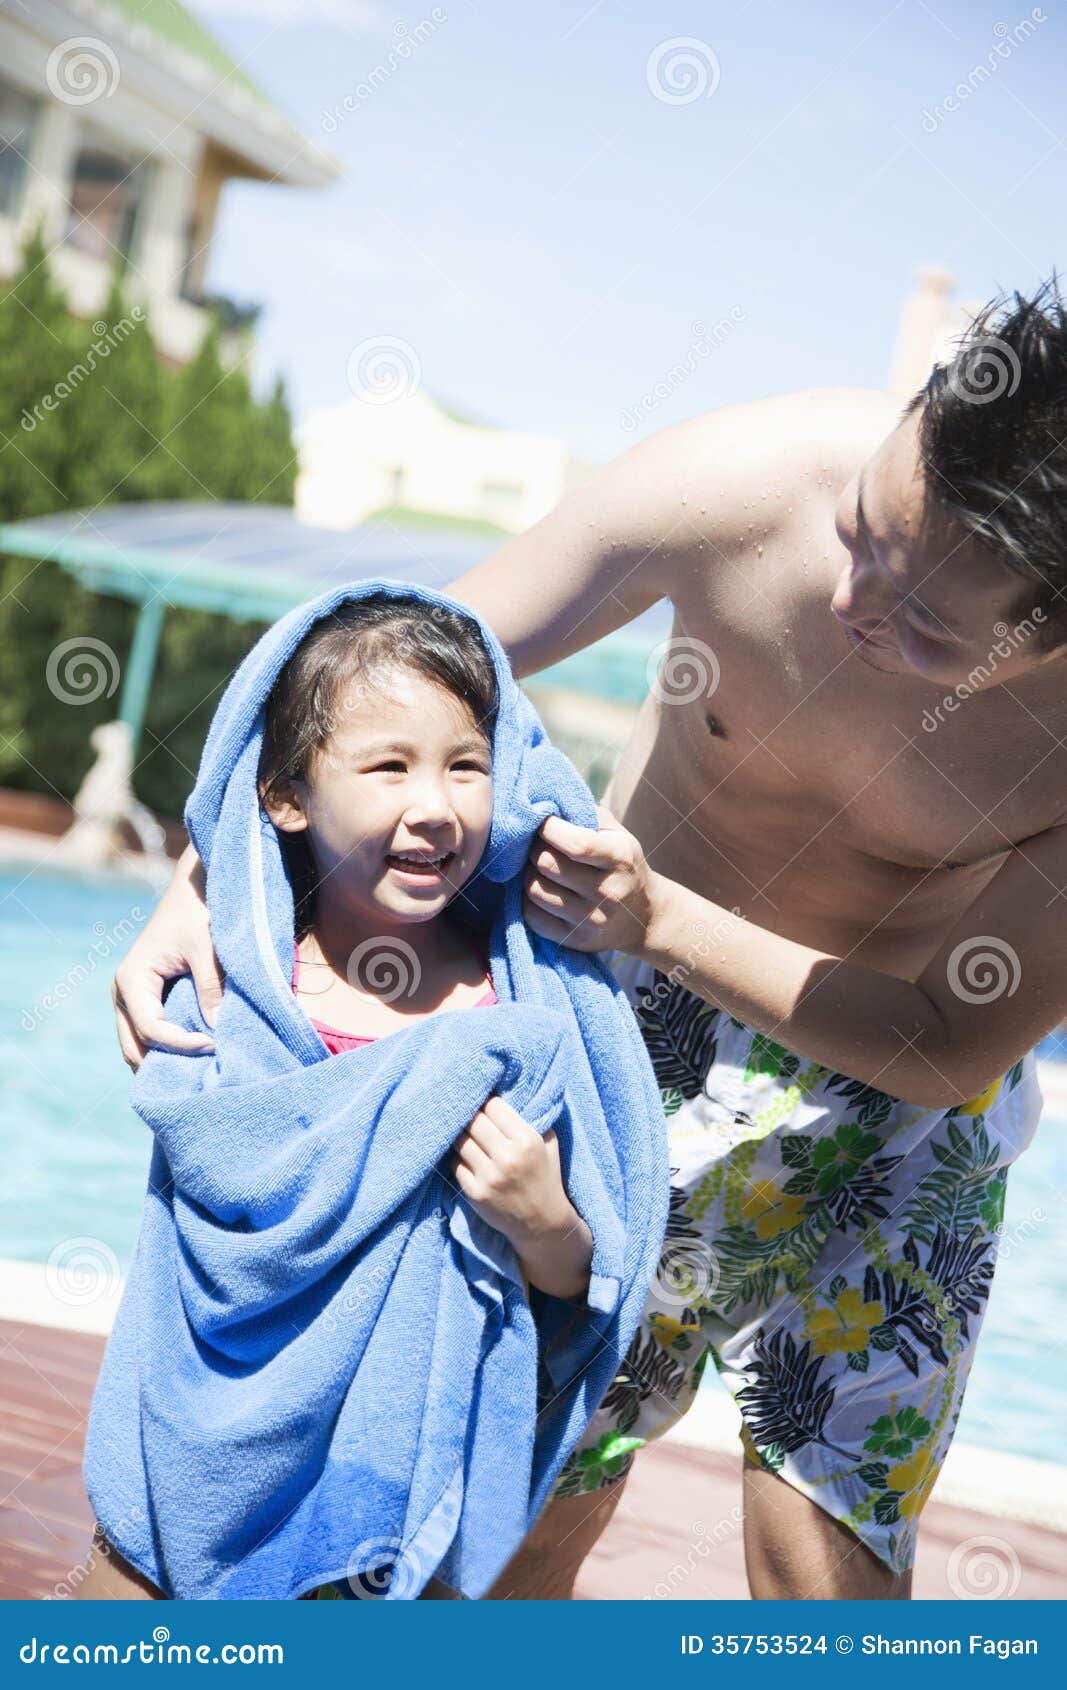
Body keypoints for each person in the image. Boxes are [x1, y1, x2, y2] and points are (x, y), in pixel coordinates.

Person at [113, 283, 1067, 1600]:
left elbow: (946, 1040)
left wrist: (666, 914)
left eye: (924, 627)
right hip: (636, 1037)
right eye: (862, 534)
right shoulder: (737, 479)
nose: (851, 597)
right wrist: (206, 867)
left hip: (897, 1087)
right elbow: (388, 670)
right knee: (537, 1493)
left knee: (829, 1562)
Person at [81, 592, 594, 1600]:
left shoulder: (514, 1018)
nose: (435, 803)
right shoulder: (229, 1002)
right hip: (186, 1458)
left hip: (389, 1498)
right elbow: (197, 1258)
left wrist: (545, 1222)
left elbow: (577, 1286)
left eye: (465, 763)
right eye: (388, 765)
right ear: (283, 796)